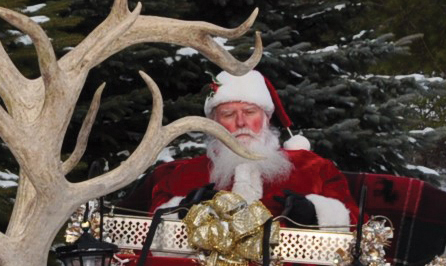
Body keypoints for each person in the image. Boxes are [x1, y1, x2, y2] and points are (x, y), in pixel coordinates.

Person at [147, 69, 358, 229]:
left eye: (250, 112)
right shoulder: (185, 174)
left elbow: (359, 227)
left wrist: (316, 214)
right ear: (214, 122)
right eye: (228, 114)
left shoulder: (313, 168)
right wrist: (182, 211)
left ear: (266, 118)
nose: (241, 122)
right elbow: (146, 232)